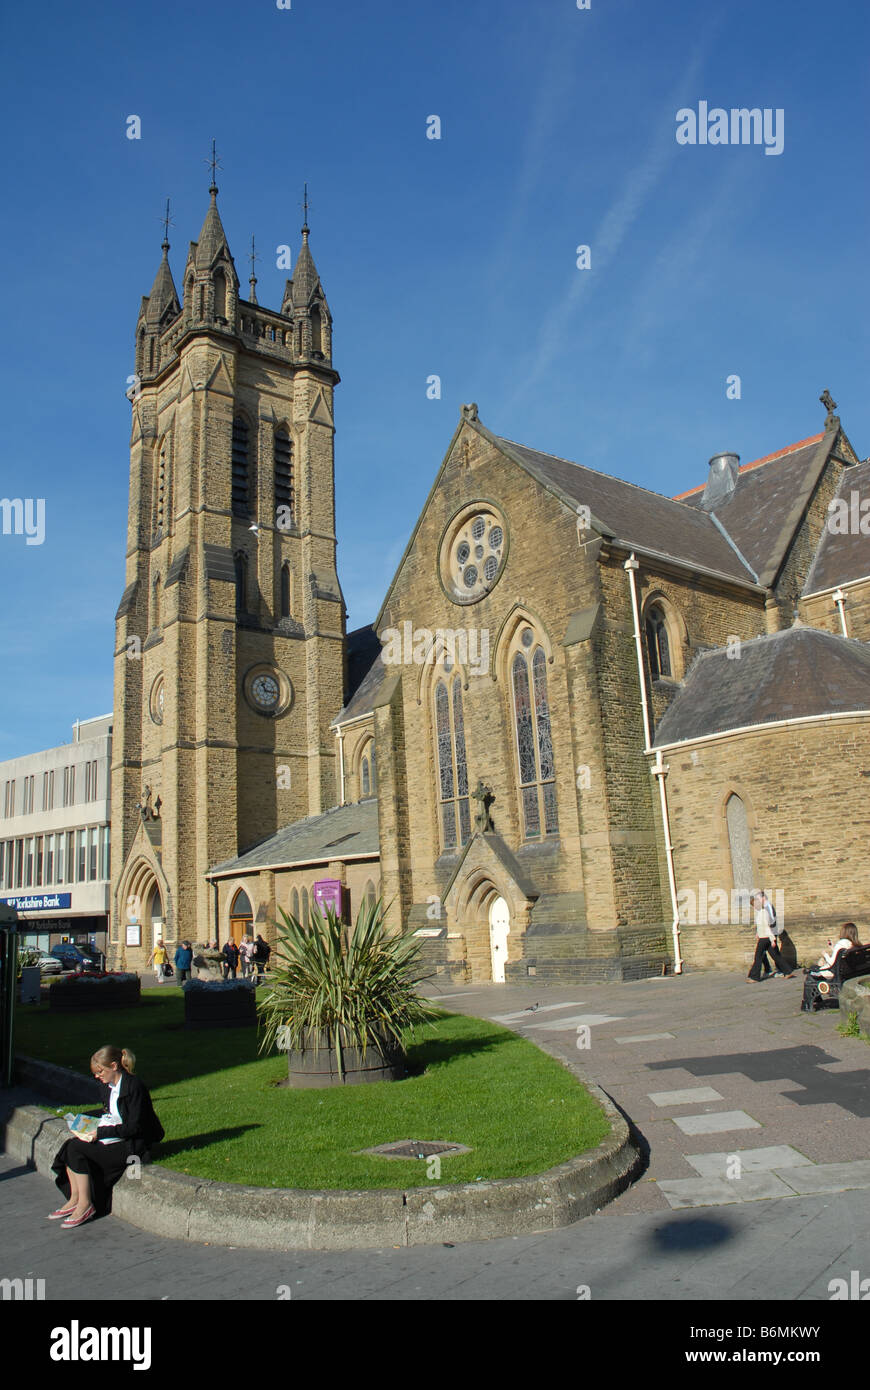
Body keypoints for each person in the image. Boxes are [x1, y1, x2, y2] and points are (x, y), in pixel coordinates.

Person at [49, 1045, 164, 1227]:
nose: (97, 1076)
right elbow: (109, 1113)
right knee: (70, 1145)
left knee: (76, 1149)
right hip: (114, 1136)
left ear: (114, 1066)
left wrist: (101, 1133)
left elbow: (134, 1127)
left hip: (132, 1145)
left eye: (100, 1071)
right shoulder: (107, 1087)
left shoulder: (134, 1086)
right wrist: (82, 1121)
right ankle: (75, 1198)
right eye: (95, 1073)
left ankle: (86, 1204)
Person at [747, 891, 793, 982]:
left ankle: (754, 977)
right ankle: (787, 971)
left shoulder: (764, 912)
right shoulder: (760, 913)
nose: (754, 907)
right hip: (764, 937)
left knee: (758, 956)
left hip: (765, 938)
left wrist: (772, 939)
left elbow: (767, 927)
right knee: (775, 955)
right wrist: (758, 933)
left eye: (755, 905)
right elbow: (761, 926)